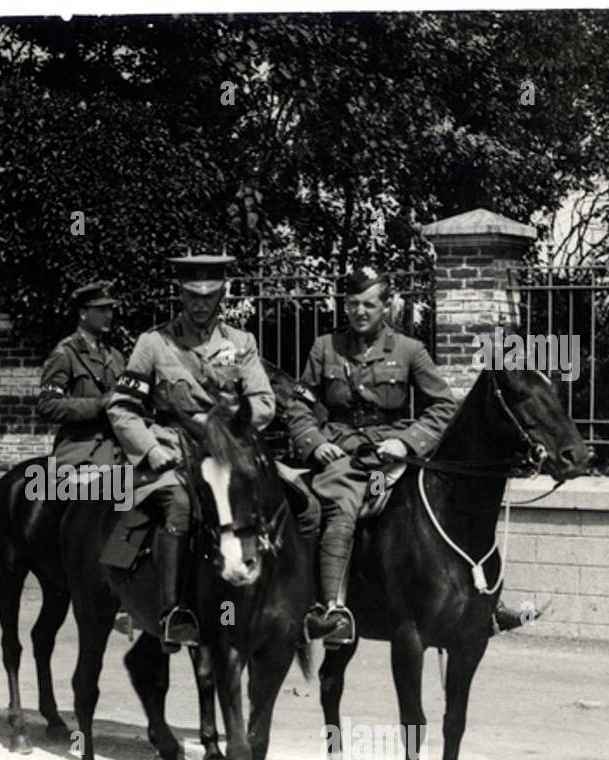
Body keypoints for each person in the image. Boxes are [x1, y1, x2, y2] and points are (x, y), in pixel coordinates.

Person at [106, 254, 274, 651]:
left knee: (293, 498)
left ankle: (293, 601)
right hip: (175, 450)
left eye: (209, 296)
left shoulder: (240, 343)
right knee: (179, 505)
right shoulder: (154, 343)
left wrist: (227, 423)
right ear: (180, 294)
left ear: (222, 295)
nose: (200, 303)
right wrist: (149, 448)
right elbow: (122, 407)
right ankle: (172, 613)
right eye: (192, 296)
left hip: (227, 450)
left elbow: (264, 402)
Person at [288, 267, 456, 643]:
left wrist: (407, 442)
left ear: (386, 306)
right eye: (352, 304)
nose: (359, 311)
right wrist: (315, 443)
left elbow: (443, 405)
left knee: (438, 504)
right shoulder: (324, 347)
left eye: (369, 304)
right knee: (343, 505)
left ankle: (476, 602)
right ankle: (332, 610)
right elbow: (298, 407)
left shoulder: (410, 350)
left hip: (390, 460)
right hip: (344, 459)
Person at [37, 280, 126, 467]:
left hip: (117, 444)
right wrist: (99, 404)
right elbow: (48, 405)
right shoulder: (65, 353)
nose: (109, 315)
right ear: (83, 313)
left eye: (110, 310)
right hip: (80, 446)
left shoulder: (115, 356)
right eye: (101, 310)